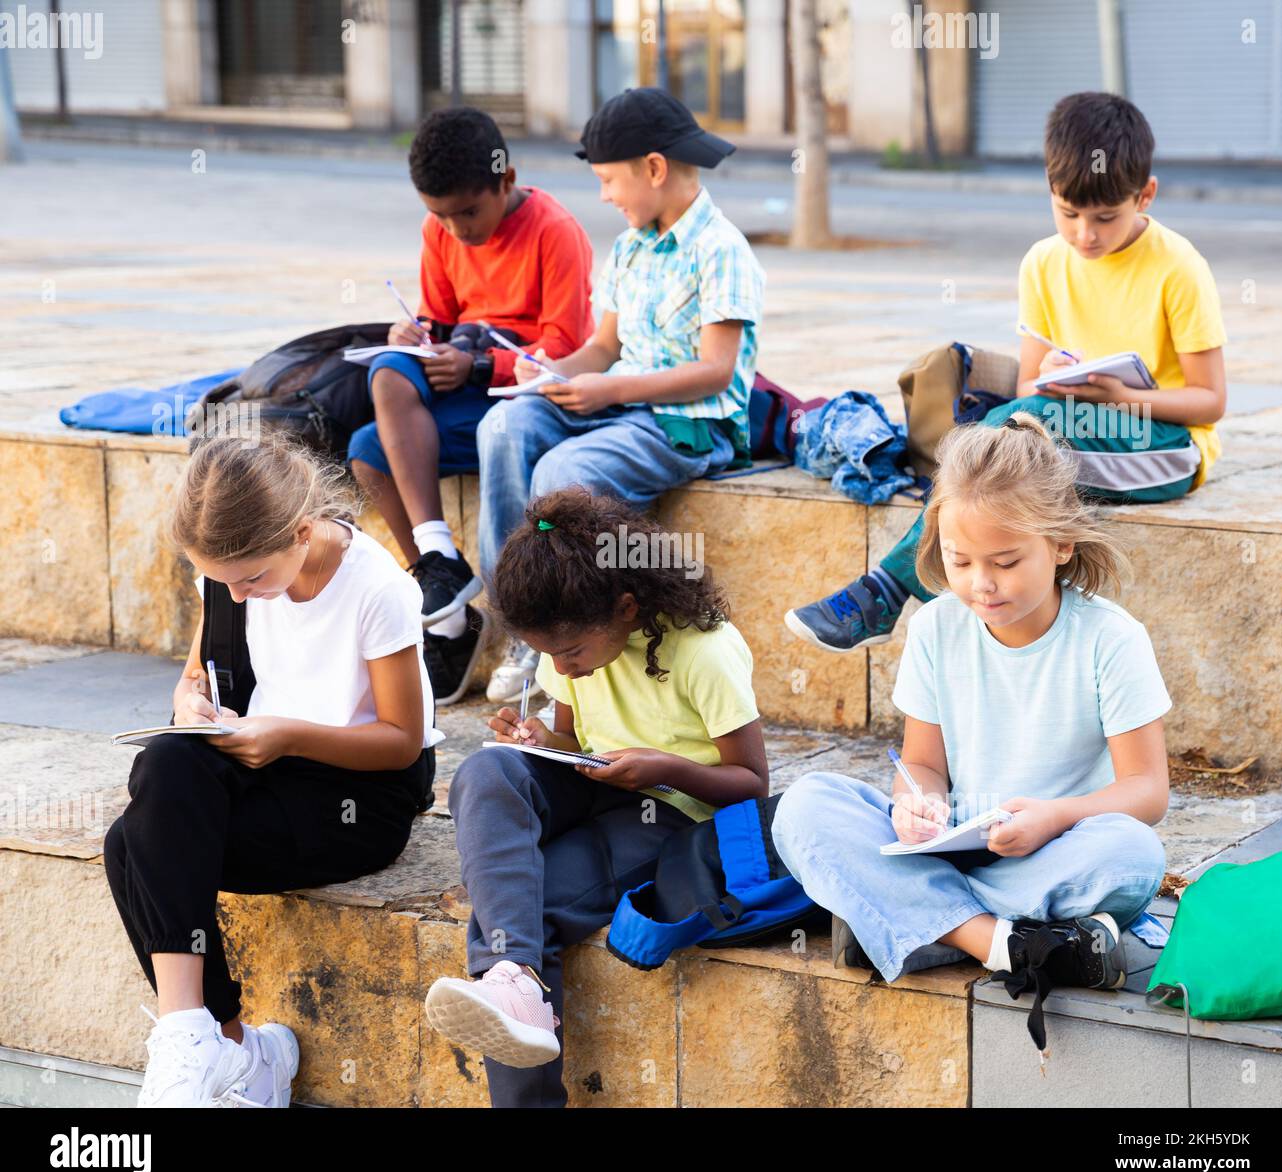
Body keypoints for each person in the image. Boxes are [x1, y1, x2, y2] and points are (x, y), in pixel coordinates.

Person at [773, 413, 1171, 1053]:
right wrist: (918, 804)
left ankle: (922, 924)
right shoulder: (935, 629)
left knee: (1133, 856)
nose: (981, 583)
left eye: (1006, 562)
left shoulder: (1110, 638)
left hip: (1052, 853)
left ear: (1061, 545)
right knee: (807, 805)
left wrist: (1050, 818)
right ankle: (1000, 942)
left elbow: (1148, 792)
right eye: (960, 562)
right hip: (958, 848)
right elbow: (922, 765)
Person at [787, 91, 1227, 653]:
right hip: (1067, 425)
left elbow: (1210, 402)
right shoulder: (1043, 262)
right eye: (1068, 214)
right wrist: (1053, 373)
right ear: (1049, 190)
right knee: (1011, 431)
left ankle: (890, 588)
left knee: (1012, 431)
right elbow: (1027, 389)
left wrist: (1114, 394)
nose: (1085, 235)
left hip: (1163, 443)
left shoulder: (1179, 267)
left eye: (1105, 218)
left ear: (1146, 195)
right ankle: (934, 595)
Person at [104, 433, 437, 1107]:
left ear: (301, 531)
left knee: (134, 847)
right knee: (161, 771)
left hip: (359, 792)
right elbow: (198, 672)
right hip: (267, 761)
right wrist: (189, 699)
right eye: (223, 580)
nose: (238, 593)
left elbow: (403, 742)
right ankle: (204, 1038)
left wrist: (285, 735)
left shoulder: (378, 589)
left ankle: (228, 1048)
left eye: (251, 578)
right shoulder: (230, 573)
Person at [424, 487, 768, 1106]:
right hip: (595, 782)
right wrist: (536, 740)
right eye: (550, 655)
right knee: (485, 770)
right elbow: (570, 735)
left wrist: (664, 768)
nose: (565, 667)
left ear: (628, 606)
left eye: (571, 652)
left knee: (521, 911)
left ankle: (513, 979)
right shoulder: (572, 640)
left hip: (670, 811)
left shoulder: (703, 650)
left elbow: (750, 784)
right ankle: (518, 981)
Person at [474, 87, 765, 706]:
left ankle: (559, 623)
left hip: (683, 423)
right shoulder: (631, 247)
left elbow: (715, 371)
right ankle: (515, 611)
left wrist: (608, 388)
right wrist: (549, 371)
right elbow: (602, 348)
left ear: (654, 169)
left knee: (563, 472)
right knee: (504, 425)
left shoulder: (721, 250)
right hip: (616, 404)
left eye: (609, 180)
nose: (604, 196)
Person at [347, 106, 593, 704]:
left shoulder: (554, 231)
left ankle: (465, 616)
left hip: (522, 394)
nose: (455, 229)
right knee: (372, 421)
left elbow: (567, 346)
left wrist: (483, 364)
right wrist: (417, 334)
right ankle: (441, 578)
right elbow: (440, 316)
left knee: (371, 444)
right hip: (459, 387)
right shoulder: (439, 233)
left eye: (468, 212)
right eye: (439, 216)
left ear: (506, 181)